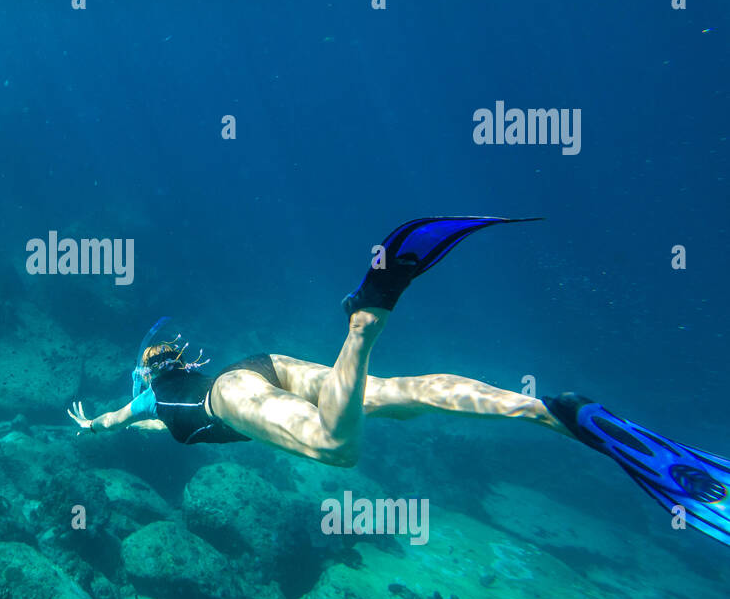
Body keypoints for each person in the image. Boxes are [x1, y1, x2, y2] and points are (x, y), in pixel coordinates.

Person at [68, 216, 730, 548]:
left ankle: (363, 320)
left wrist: (89, 426)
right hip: (262, 366)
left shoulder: (147, 397)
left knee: (337, 448)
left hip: (234, 398)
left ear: (147, 373)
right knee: (394, 398)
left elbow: (114, 422)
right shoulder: (163, 401)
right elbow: (153, 425)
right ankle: (546, 410)